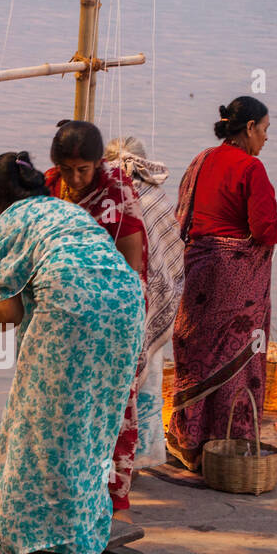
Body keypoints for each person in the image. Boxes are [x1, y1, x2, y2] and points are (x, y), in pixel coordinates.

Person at [0, 151, 143, 554]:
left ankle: (24, 532)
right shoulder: (64, 210)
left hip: (71, 309)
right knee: (90, 423)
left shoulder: (9, 223)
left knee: (37, 420)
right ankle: (76, 529)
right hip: (127, 306)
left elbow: (9, 310)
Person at [167, 96, 277, 472]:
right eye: (264, 130)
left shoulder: (202, 160)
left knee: (198, 350)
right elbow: (263, 230)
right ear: (248, 128)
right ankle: (227, 439)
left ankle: (188, 439)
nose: (265, 139)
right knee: (236, 354)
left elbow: (187, 215)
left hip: (199, 268)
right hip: (235, 278)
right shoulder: (251, 168)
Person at [45, 120, 148, 514]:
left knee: (109, 405)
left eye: (82, 170)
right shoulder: (51, 184)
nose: (74, 179)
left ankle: (107, 501)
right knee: (66, 405)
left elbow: (130, 266)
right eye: (68, 169)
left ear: (97, 163)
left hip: (112, 319)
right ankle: (66, 497)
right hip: (66, 317)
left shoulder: (116, 193)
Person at [106, 135, 185, 469]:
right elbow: (172, 256)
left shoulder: (105, 199)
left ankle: (109, 461)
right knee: (146, 380)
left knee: (112, 386)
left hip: (112, 307)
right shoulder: (155, 197)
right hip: (147, 304)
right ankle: (137, 459)